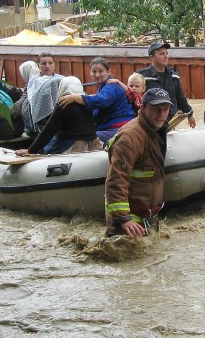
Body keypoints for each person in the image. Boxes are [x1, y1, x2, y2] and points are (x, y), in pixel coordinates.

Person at [104, 88, 172, 238]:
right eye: (156, 109)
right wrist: (123, 218)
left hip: (147, 217)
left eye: (165, 109)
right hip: (128, 223)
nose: (161, 115)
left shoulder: (156, 131)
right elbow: (116, 180)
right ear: (142, 107)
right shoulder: (129, 138)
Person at [16, 76, 102, 155]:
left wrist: (30, 150)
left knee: (46, 150)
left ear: (63, 87)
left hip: (70, 146)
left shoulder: (64, 103)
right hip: (93, 144)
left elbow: (49, 129)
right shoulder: (86, 102)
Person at [58, 57, 135, 144]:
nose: (97, 75)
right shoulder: (102, 89)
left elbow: (102, 101)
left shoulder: (111, 86)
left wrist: (76, 98)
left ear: (108, 72)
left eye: (101, 71)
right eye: (94, 72)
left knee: (84, 140)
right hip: (112, 128)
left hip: (121, 129)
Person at [137, 41, 196, 127]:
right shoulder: (142, 76)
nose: (166, 56)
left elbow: (181, 98)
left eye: (167, 53)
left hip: (170, 121)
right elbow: (134, 97)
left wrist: (190, 114)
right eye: (161, 54)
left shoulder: (174, 76)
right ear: (151, 57)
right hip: (150, 121)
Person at [24, 53, 63, 137]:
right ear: (38, 65)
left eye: (50, 63)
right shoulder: (34, 81)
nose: (47, 66)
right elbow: (32, 101)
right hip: (41, 121)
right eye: (44, 63)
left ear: (54, 64)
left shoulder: (62, 79)